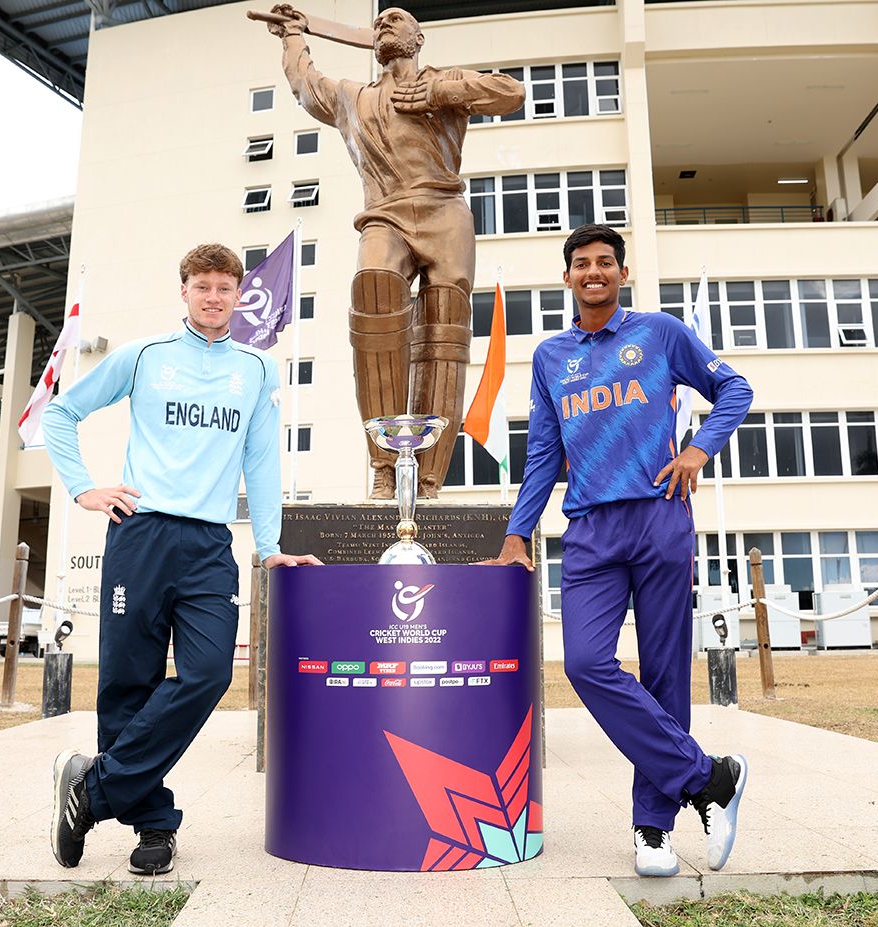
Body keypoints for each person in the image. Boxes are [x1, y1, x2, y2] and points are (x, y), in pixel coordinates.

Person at [41, 243, 321, 876]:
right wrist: (84, 486)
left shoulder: (255, 369)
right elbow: (61, 413)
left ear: (238, 295)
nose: (215, 297)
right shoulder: (144, 357)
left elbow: (260, 460)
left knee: (207, 674)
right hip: (139, 534)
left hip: (208, 545)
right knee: (128, 684)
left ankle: (91, 791)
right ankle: (154, 825)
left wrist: (271, 547)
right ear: (186, 291)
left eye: (226, 287)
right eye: (203, 286)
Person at [484, 225, 754, 877]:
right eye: (582, 264)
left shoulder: (659, 333)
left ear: (622, 273)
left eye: (606, 262)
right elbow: (545, 453)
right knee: (584, 662)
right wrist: (518, 531)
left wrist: (698, 449)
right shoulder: (552, 357)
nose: (594, 272)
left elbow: (735, 390)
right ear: (568, 279)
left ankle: (653, 828)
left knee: (663, 674)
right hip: (590, 532)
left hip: (661, 517)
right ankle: (708, 778)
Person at [265, 5, 524, 499]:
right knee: (374, 289)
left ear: (418, 36)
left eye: (397, 19)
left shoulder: (444, 84)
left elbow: (511, 93)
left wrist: (443, 90)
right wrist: (293, 36)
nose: (385, 23)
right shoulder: (352, 98)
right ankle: (385, 464)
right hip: (384, 212)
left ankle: (428, 479)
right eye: (379, 20)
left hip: (445, 212)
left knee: (444, 336)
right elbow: (305, 83)